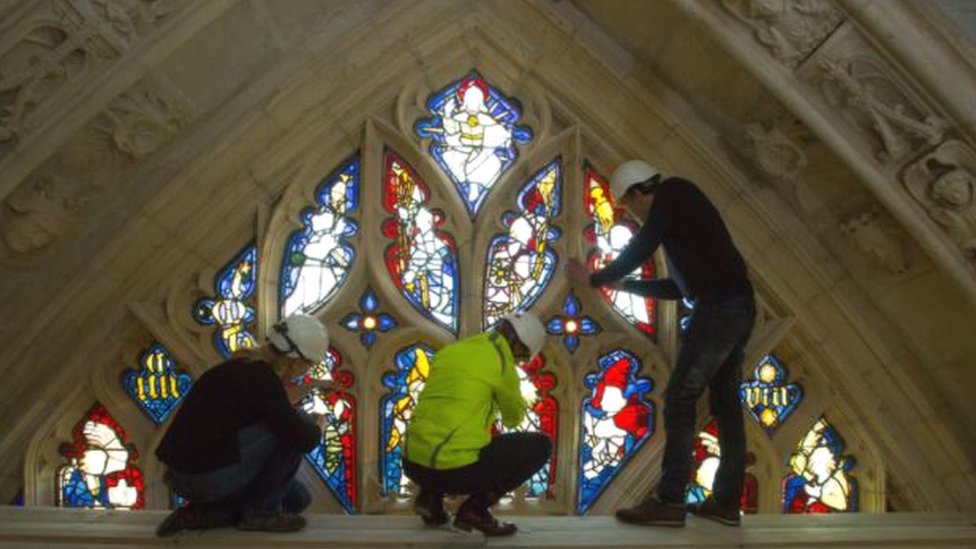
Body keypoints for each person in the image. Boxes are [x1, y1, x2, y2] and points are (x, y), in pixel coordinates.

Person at [567, 160, 755, 527]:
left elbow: (642, 245)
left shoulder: (674, 192)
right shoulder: (683, 223)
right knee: (726, 404)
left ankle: (670, 501)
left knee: (680, 399)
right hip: (735, 307)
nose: (632, 216)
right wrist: (623, 285)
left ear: (640, 192)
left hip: (718, 310)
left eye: (629, 206)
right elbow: (679, 288)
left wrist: (595, 279)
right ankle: (726, 503)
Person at [154, 313, 332, 536]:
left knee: (297, 498)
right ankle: (260, 513)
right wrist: (318, 425)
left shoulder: (242, 368)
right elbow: (303, 437)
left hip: (182, 476)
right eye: (309, 365)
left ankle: (204, 515)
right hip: (204, 480)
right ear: (297, 362)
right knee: (301, 425)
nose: (307, 370)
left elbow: (275, 404)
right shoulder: (262, 380)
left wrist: (312, 386)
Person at [402, 312, 552, 536]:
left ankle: (430, 499)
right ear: (520, 346)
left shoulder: (454, 350)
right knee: (540, 446)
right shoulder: (502, 363)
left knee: (447, 430)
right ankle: (476, 510)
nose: (518, 362)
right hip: (451, 471)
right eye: (522, 358)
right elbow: (513, 419)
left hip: (412, 464)